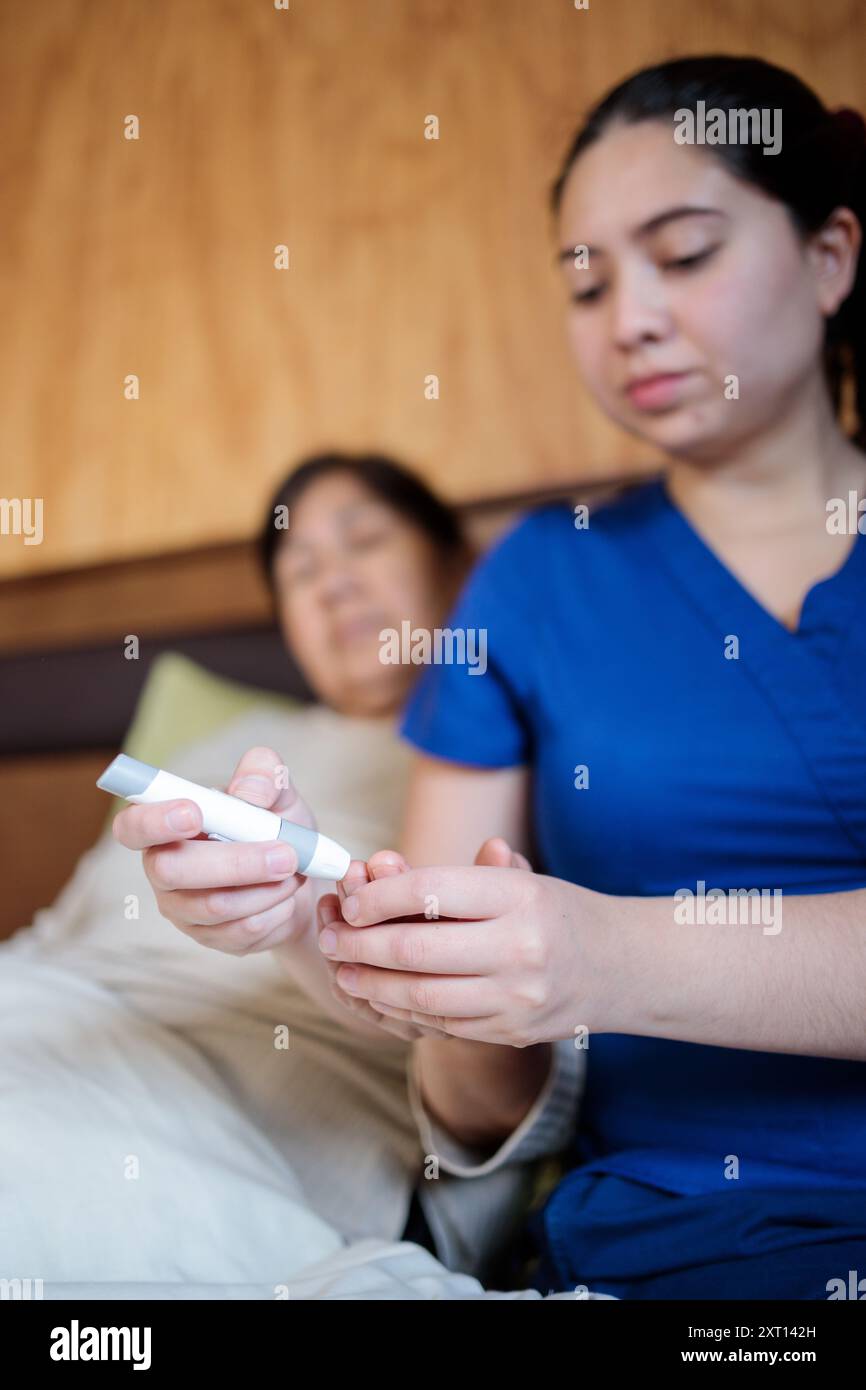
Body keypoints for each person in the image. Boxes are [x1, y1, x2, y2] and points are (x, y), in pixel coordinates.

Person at [314, 56, 866, 1299]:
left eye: (680, 254)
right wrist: (383, 959)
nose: (627, 319)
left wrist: (607, 956)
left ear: (829, 256)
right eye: (585, 282)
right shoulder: (529, 586)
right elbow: (471, 1099)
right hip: (681, 1254)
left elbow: (586, 959)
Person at [3, 453, 582, 1290]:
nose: (332, 586)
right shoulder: (214, 754)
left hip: (240, 1118)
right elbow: (50, 947)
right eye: (299, 571)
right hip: (50, 1022)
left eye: (364, 542)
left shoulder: (514, 762)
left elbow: (509, 1079)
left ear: (460, 561)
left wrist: (302, 923)